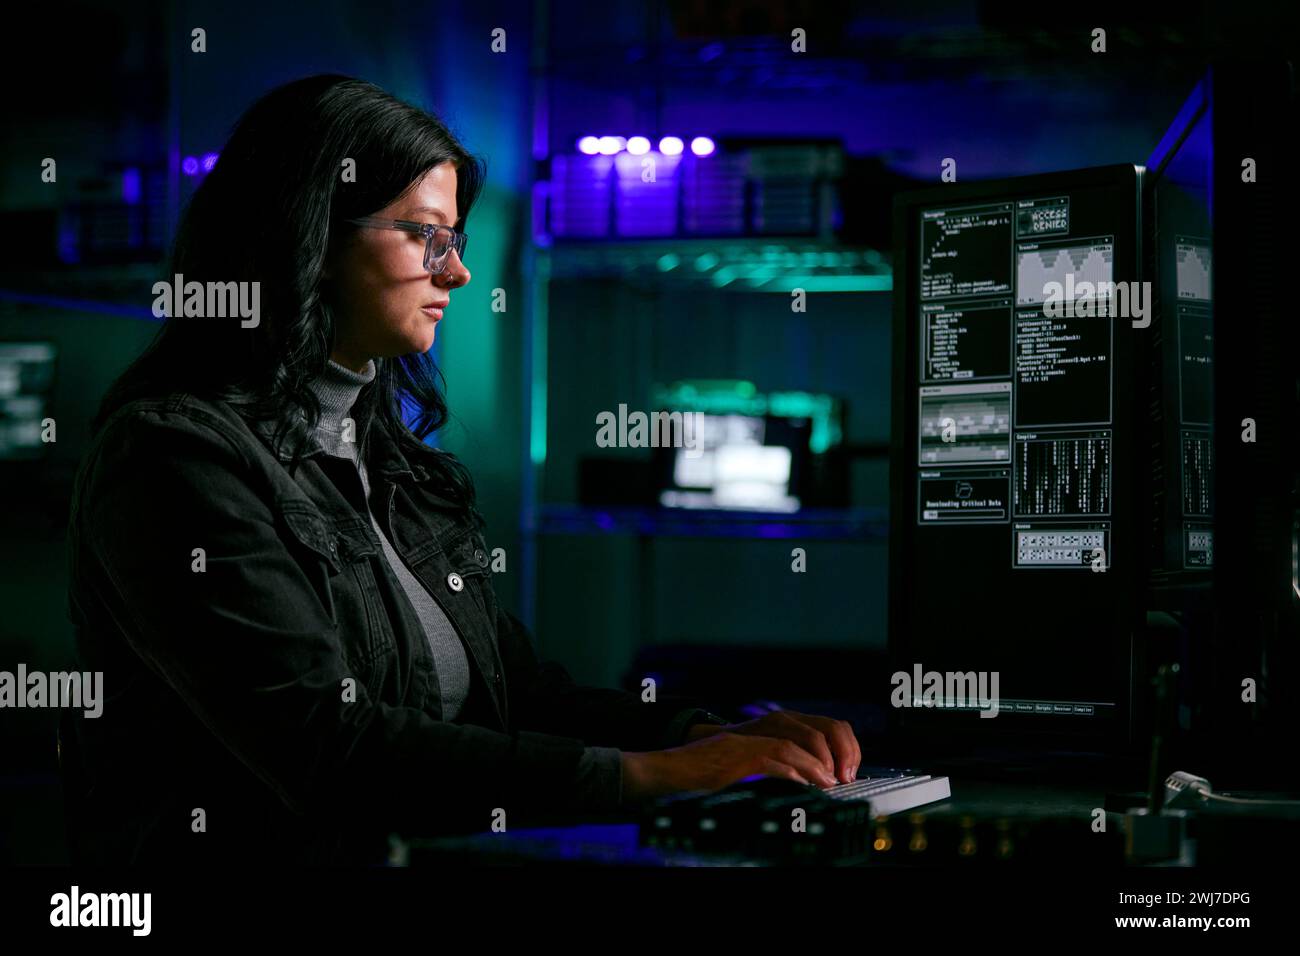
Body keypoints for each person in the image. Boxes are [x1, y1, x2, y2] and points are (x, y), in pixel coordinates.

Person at [63, 74, 862, 864]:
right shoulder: (171, 454)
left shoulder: (393, 461)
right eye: (425, 235)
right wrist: (652, 777)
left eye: (457, 241)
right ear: (310, 231)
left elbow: (512, 695)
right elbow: (322, 747)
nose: (457, 274)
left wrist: (697, 733)